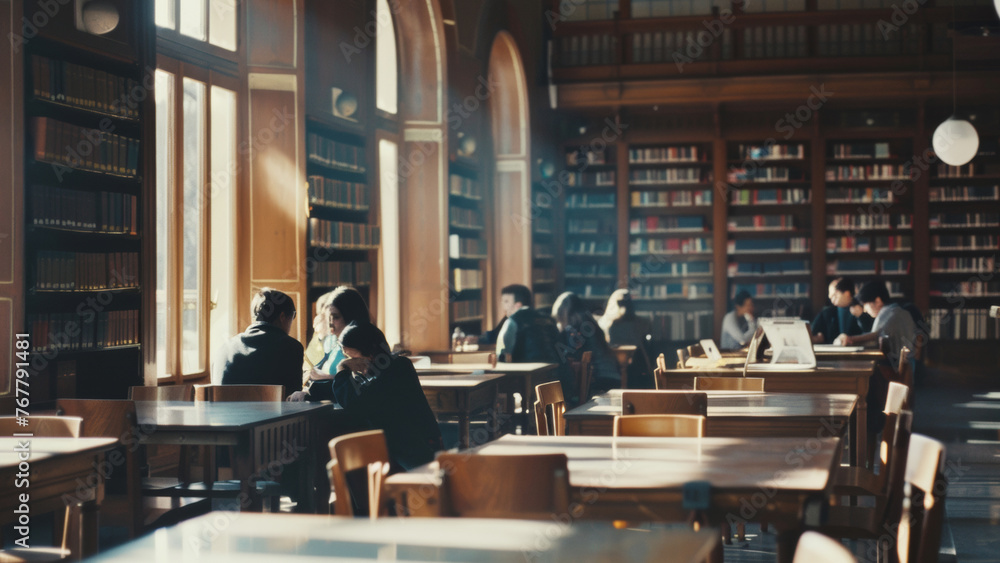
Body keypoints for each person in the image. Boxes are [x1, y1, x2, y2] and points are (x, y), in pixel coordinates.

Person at [332, 322, 443, 472]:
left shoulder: (397, 367)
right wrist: (309, 393)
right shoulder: (378, 368)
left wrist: (342, 369)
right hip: (397, 448)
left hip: (414, 451)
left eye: (350, 356)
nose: (349, 361)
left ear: (369, 352)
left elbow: (352, 402)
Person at [212, 287, 303, 399]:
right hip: (274, 416)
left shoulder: (225, 348)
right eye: (293, 316)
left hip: (224, 416)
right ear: (282, 317)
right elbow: (293, 398)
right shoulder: (292, 347)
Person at [290, 286, 372, 402]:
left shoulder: (360, 346)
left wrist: (318, 385)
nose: (330, 324)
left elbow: (358, 387)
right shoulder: (335, 343)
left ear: (351, 315)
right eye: (328, 318)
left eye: (336, 317)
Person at [553, 292, 621, 398]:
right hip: (614, 377)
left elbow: (570, 358)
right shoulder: (591, 323)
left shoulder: (573, 329)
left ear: (562, 313)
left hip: (597, 380)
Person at [834, 281, 916, 369]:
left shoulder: (887, 315)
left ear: (878, 301)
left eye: (865, 304)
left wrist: (850, 339)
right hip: (906, 367)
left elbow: (875, 339)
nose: (864, 310)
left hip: (894, 370)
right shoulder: (897, 311)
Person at [597, 289, 653, 389]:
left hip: (632, 367)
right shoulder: (606, 323)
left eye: (625, 303)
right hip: (617, 365)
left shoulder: (641, 323)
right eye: (620, 303)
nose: (623, 307)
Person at [811, 277, 874, 344]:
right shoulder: (827, 312)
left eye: (835, 295)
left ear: (846, 293)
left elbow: (872, 332)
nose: (832, 300)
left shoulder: (865, 308)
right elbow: (814, 332)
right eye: (830, 297)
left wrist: (861, 316)